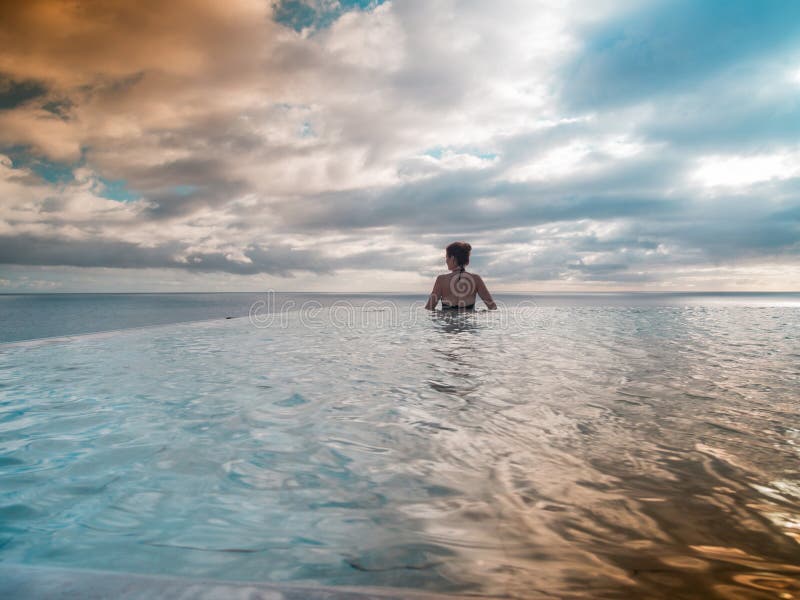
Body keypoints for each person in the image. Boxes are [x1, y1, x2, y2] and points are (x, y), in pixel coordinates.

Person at [425, 241, 497, 310]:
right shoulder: (476, 279)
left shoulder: (441, 280)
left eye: (446, 257)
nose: (446, 261)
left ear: (452, 258)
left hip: (447, 318)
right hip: (468, 318)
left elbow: (429, 308)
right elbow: (493, 307)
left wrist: (440, 314)